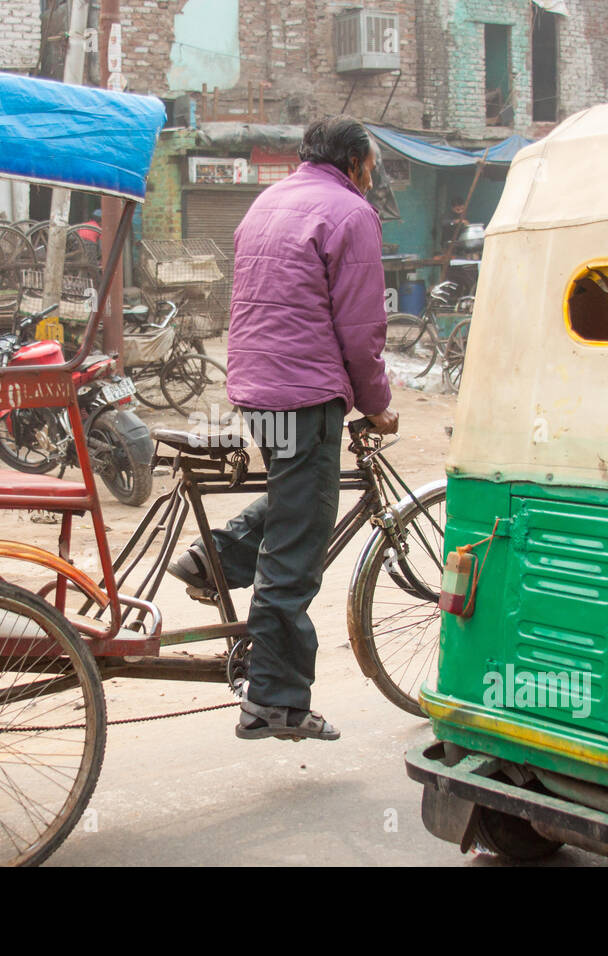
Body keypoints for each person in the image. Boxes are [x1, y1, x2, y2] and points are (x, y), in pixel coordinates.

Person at [167, 116, 399, 742]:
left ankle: (210, 560)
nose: (372, 178)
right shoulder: (350, 216)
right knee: (296, 550)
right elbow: (361, 333)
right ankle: (275, 702)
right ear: (354, 162)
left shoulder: (268, 201)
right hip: (306, 393)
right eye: (372, 166)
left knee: (301, 497)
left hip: (255, 389)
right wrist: (376, 403)